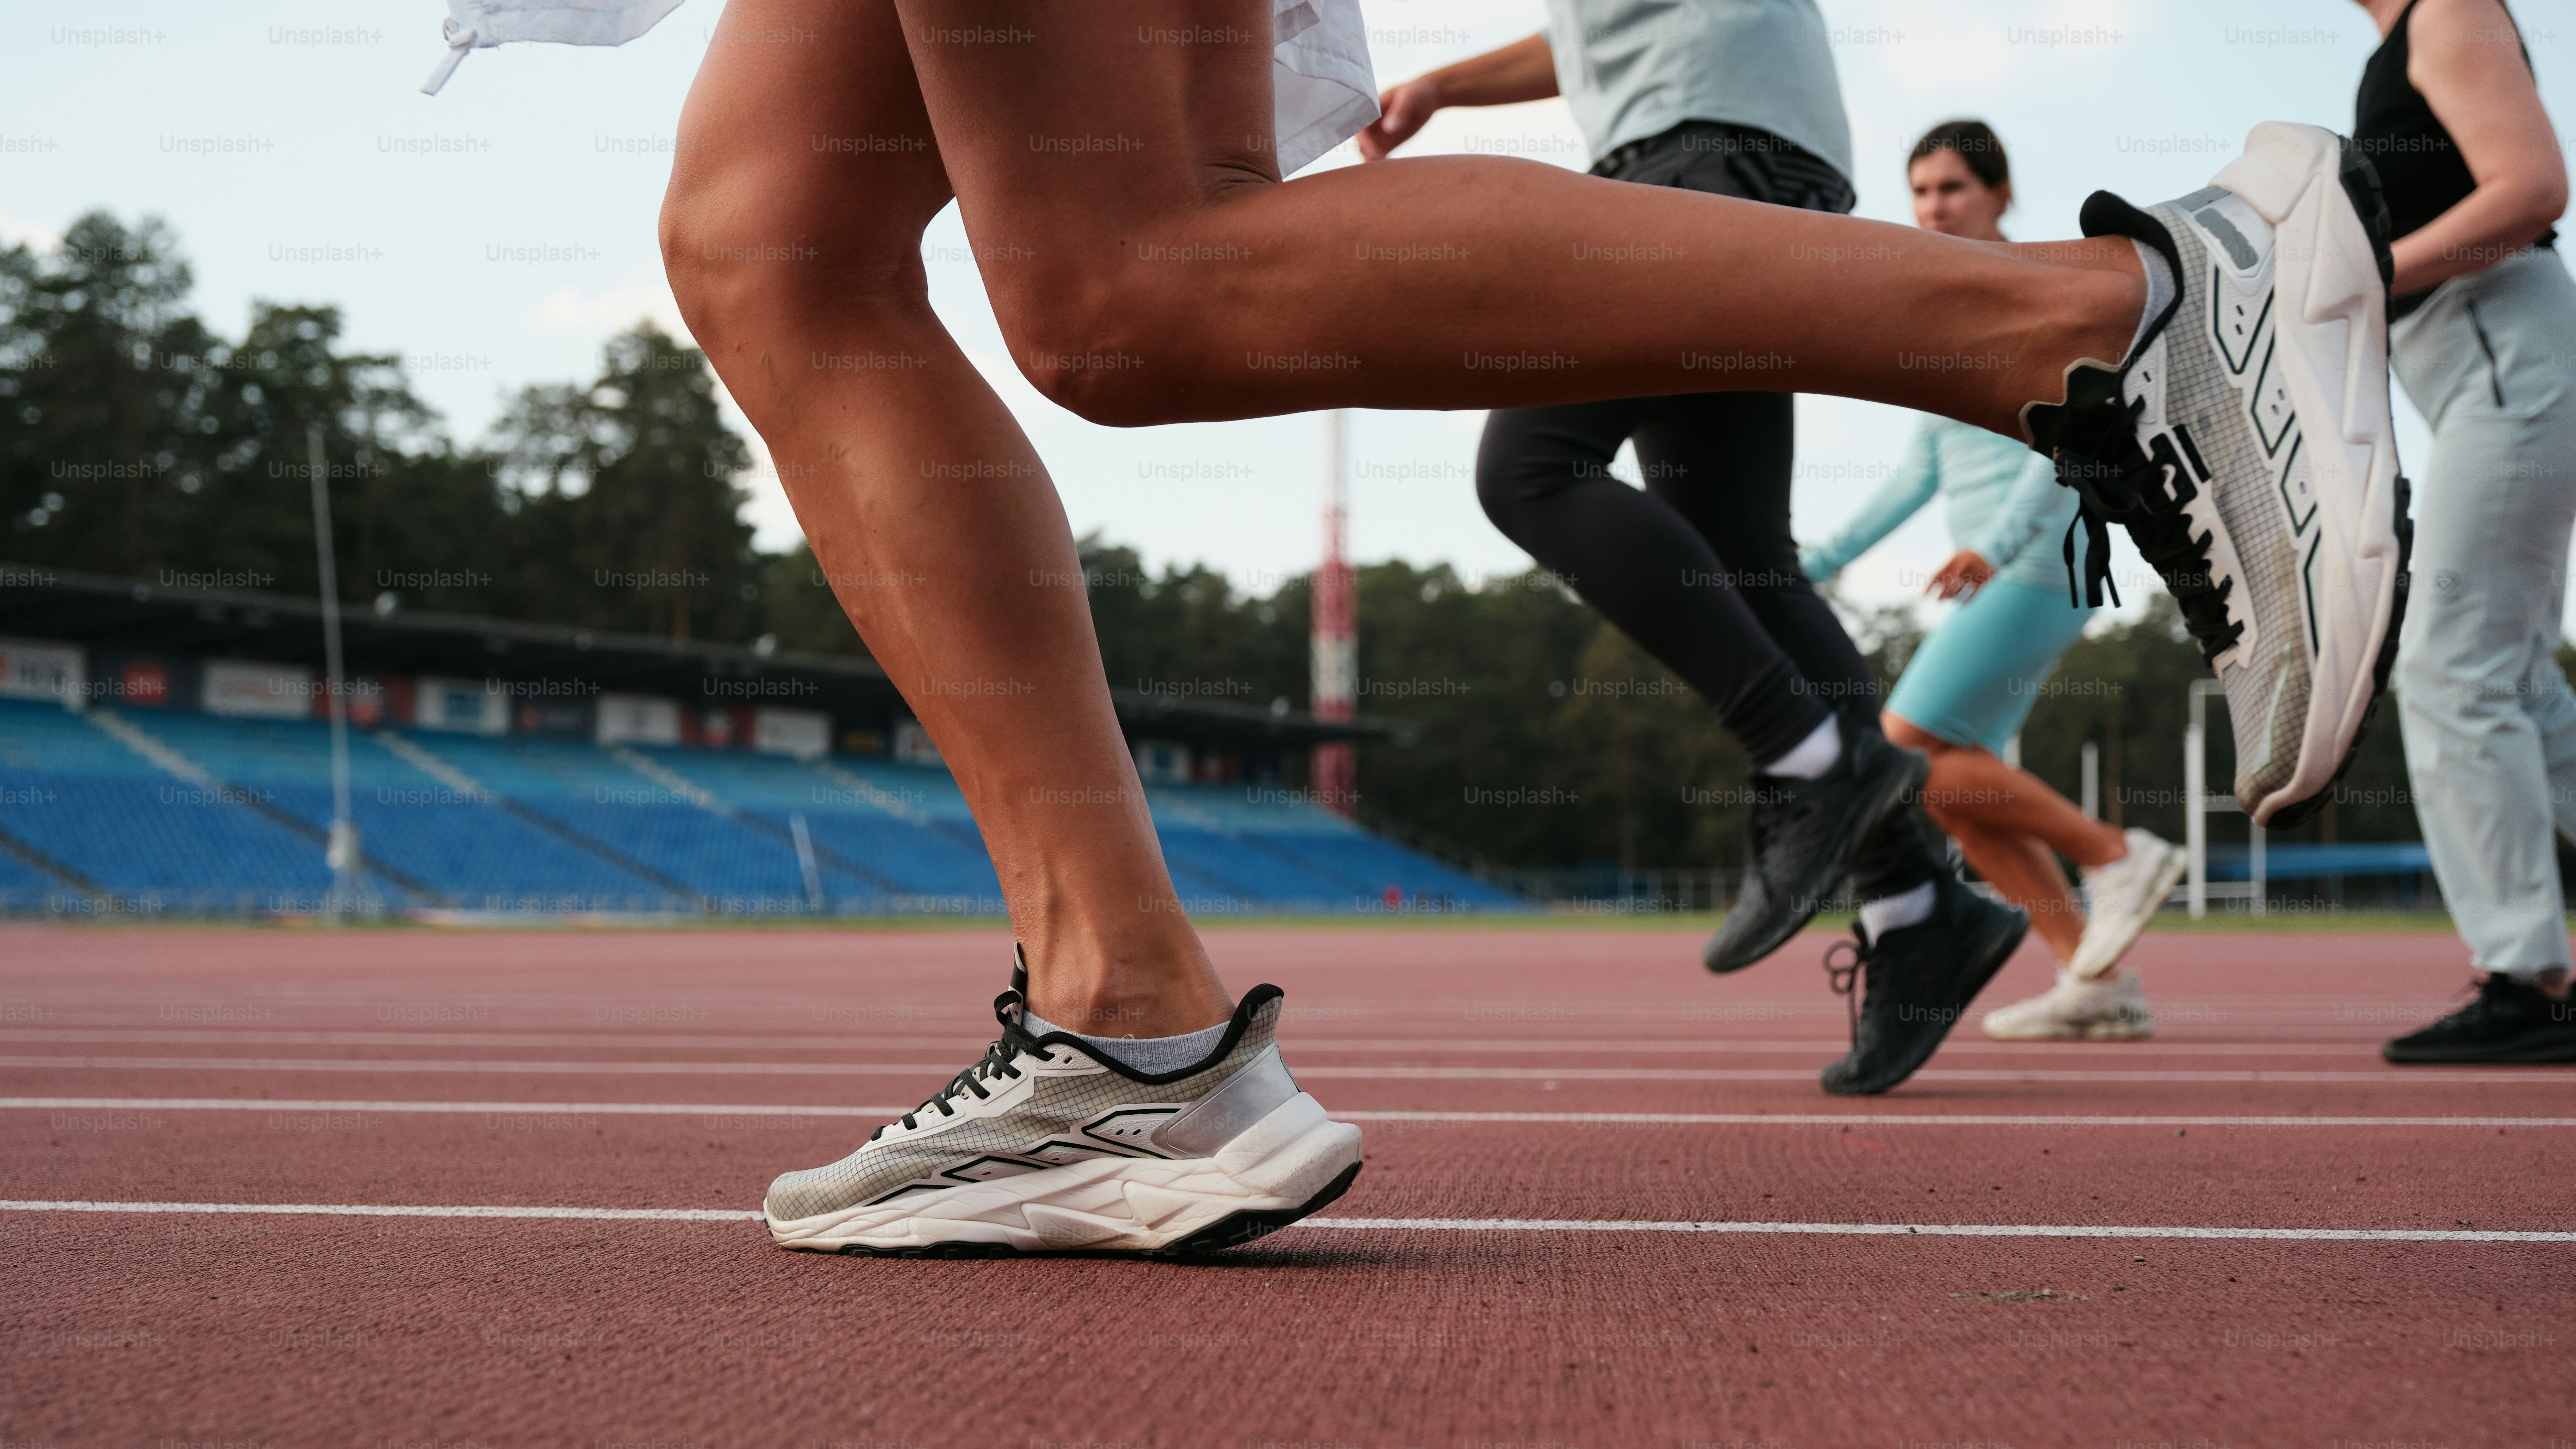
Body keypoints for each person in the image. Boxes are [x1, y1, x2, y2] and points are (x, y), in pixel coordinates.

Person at [647, 0, 2406, 1254]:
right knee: (775, 244)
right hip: (1706, 143)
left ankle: (2099, 320)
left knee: (1128, 282)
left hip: (1721, 147)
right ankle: (1132, 1027)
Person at [1361, 4, 2019, 1096]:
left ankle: (1807, 765)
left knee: (1531, 466)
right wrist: (1442, 88)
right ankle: (1916, 913)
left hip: (1699, 158)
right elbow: (1589, 32)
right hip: (1750, 161)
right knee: (1743, 552)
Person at [1798, 122, 2189, 1041]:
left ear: (2001, 194)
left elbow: (2059, 437)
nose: (1934, 208)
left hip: (2040, 560)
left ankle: (2116, 855)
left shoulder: (2033, 292)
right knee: (1949, 788)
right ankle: (2093, 984)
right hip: (1999, 575)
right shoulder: (1933, 313)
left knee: (1902, 744)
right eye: (1921, 192)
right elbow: (1915, 478)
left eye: (1952, 189)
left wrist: (1995, 543)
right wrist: (1794, 567)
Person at [2352, 0, 2576, 1064]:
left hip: (2503, 348)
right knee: (2520, 686)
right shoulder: (2405, 38)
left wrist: (2361, 276)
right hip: (2491, 364)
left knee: (2450, 664)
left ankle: (2524, 981)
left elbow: (2532, 186)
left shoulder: (2448, 8)